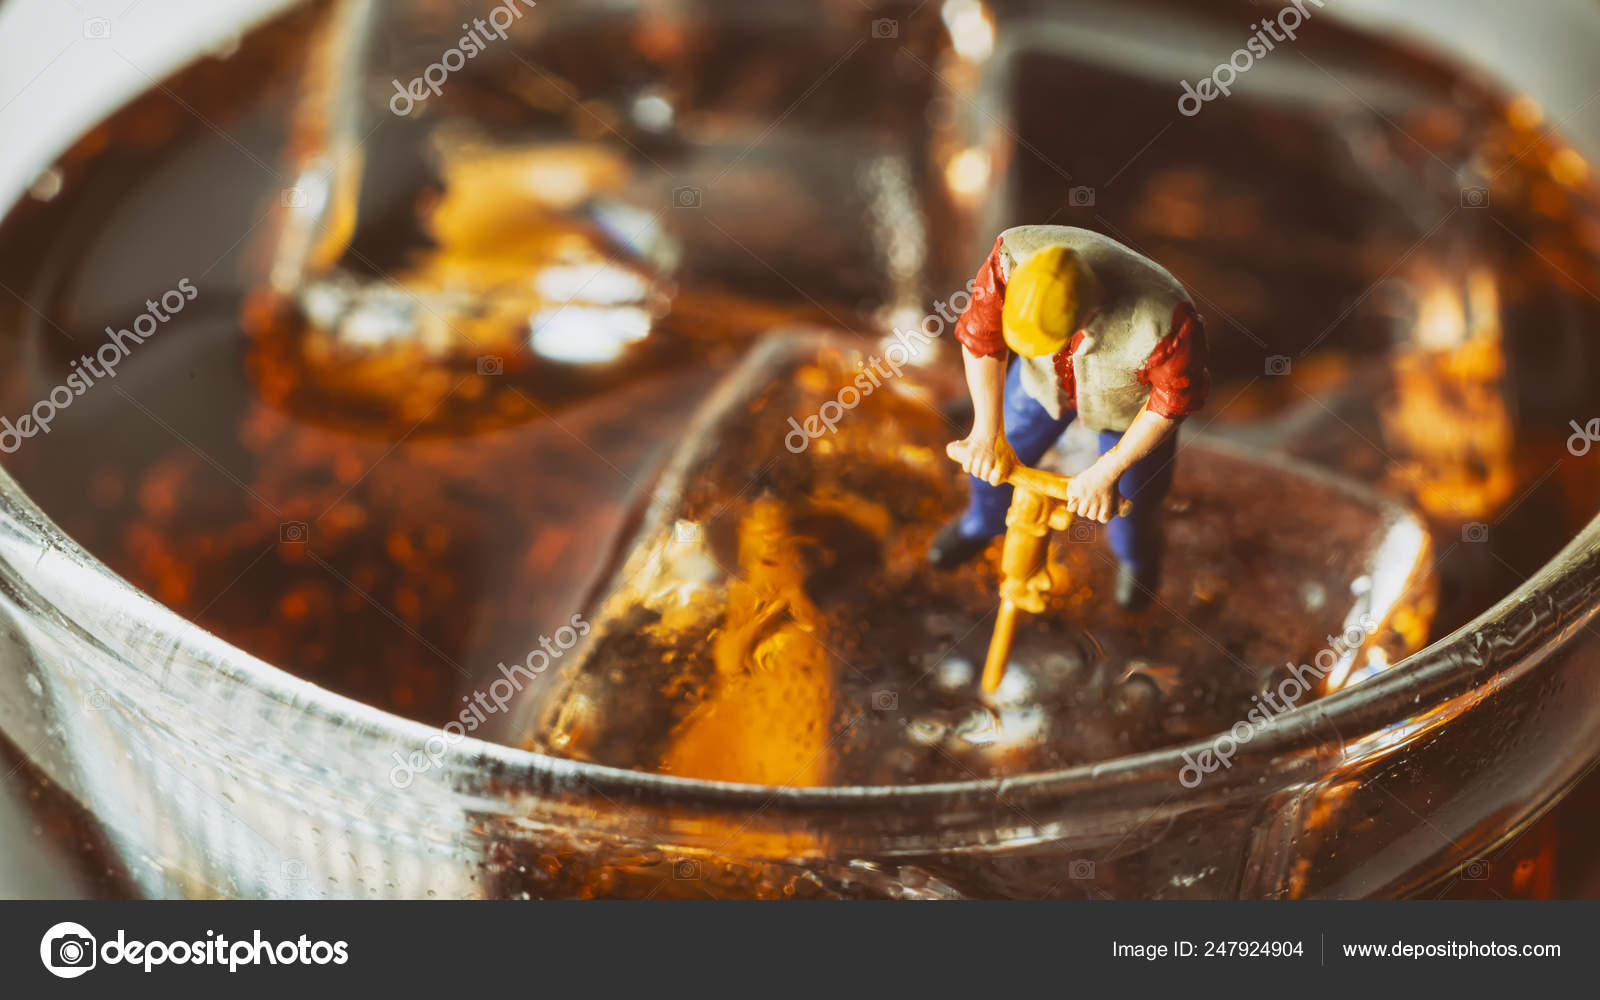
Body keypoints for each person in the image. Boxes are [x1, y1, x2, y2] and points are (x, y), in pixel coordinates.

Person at [931, 225, 1209, 610]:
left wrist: (1108, 470)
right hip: (1038, 385)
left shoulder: (1166, 320)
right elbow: (981, 340)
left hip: (1128, 410)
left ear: (1091, 313)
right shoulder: (1009, 259)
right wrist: (984, 429)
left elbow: (1171, 403)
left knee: (1134, 500)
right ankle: (981, 524)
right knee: (988, 472)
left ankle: (1137, 558)